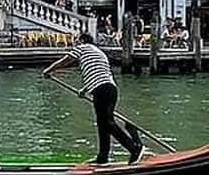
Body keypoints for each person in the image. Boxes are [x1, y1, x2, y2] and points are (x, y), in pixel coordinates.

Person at [44, 31, 143, 166]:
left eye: (77, 40)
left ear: (82, 40)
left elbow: (66, 60)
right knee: (103, 124)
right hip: (109, 89)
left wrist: (49, 69)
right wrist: (84, 90)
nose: (76, 43)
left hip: (102, 89)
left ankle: (134, 148)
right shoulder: (98, 52)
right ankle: (103, 157)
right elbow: (96, 73)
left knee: (107, 122)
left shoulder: (82, 48)